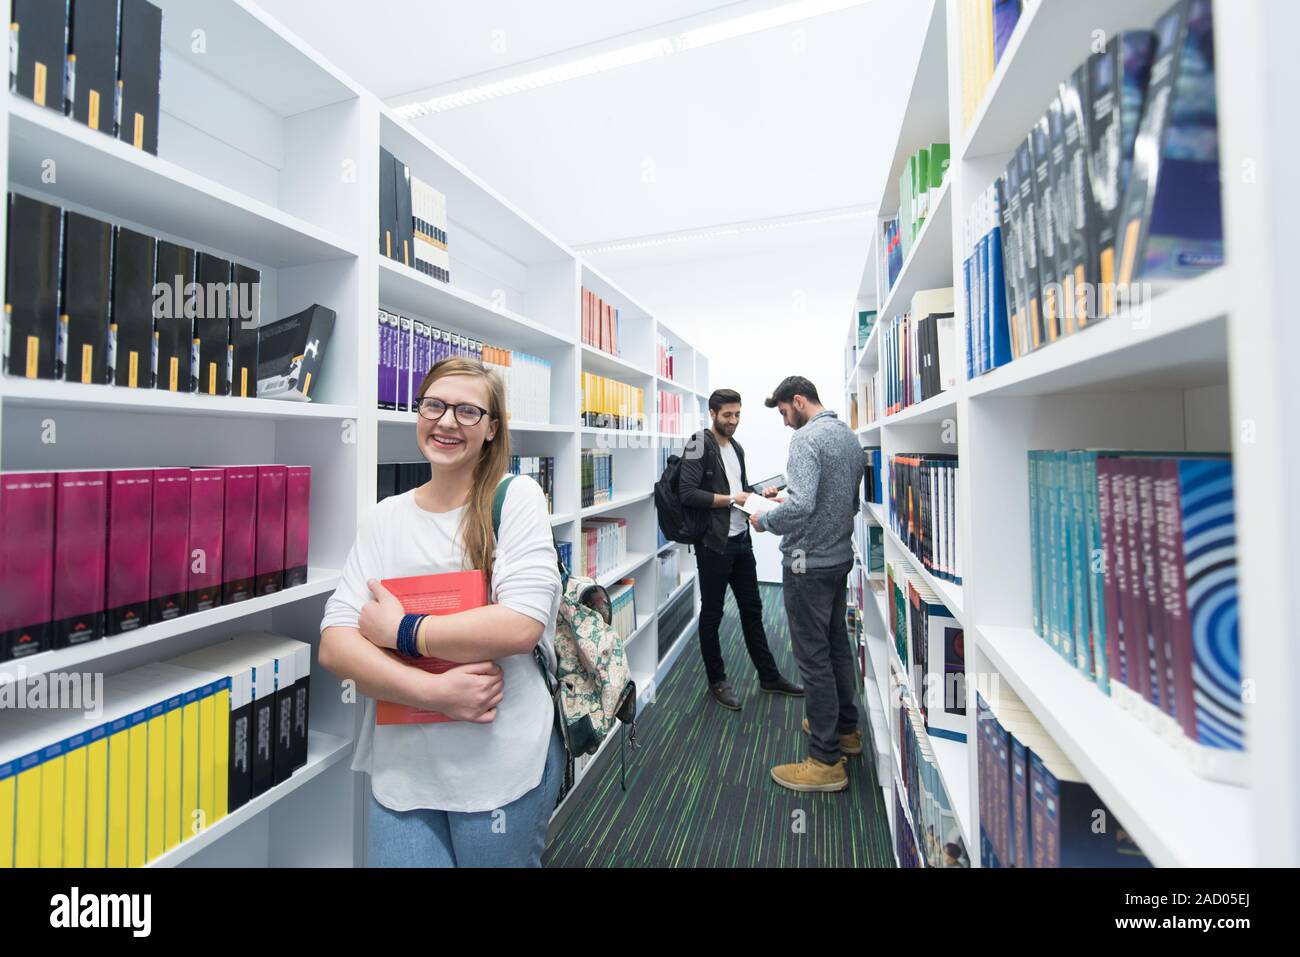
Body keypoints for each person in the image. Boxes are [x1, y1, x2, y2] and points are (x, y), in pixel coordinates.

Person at [319, 356, 565, 866]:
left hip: (500, 760)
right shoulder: (385, 517)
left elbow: (520, 624)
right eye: (434, 405)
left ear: (492, 429)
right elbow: (336, 642)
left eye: (468, 411)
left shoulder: (516, 498)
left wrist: (402, 631)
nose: (447, 421)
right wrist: (435, 692)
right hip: (405, 766)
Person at [749, 375, 865, 792]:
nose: (783, 422)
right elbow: (846, 502)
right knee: (836, 647)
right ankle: (845, 730)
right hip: (837, 559)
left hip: (806, 565)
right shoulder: (847, 437)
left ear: (798, 401)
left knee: (812, 659)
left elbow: (801, 505)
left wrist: (765, 518)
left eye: (783, 412)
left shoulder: (805, 441)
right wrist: (793, 499)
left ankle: (824, 760)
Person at [678, 389, 803, 710]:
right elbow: (688, 494)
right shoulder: (696, 444)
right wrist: (734, 498)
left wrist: (761, 494)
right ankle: (717, 680)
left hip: (740, 542)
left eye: (737, 415)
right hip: (713, 545)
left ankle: (769, 676)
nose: (733, 421)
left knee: (753, 610)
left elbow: (739, 491)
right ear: (713, 414)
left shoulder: (736, 447)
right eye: (727, 415)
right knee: (713, 614)